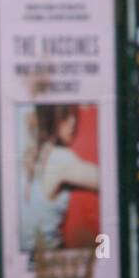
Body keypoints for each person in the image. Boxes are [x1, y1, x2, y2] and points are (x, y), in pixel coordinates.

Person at [19, 104, 99, 252]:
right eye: (64, 117)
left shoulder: (31, 152)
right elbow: (109, 180)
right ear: (51, 120)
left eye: (74, 115)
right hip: (50, 260)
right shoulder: (59, 158)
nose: (73, 122)